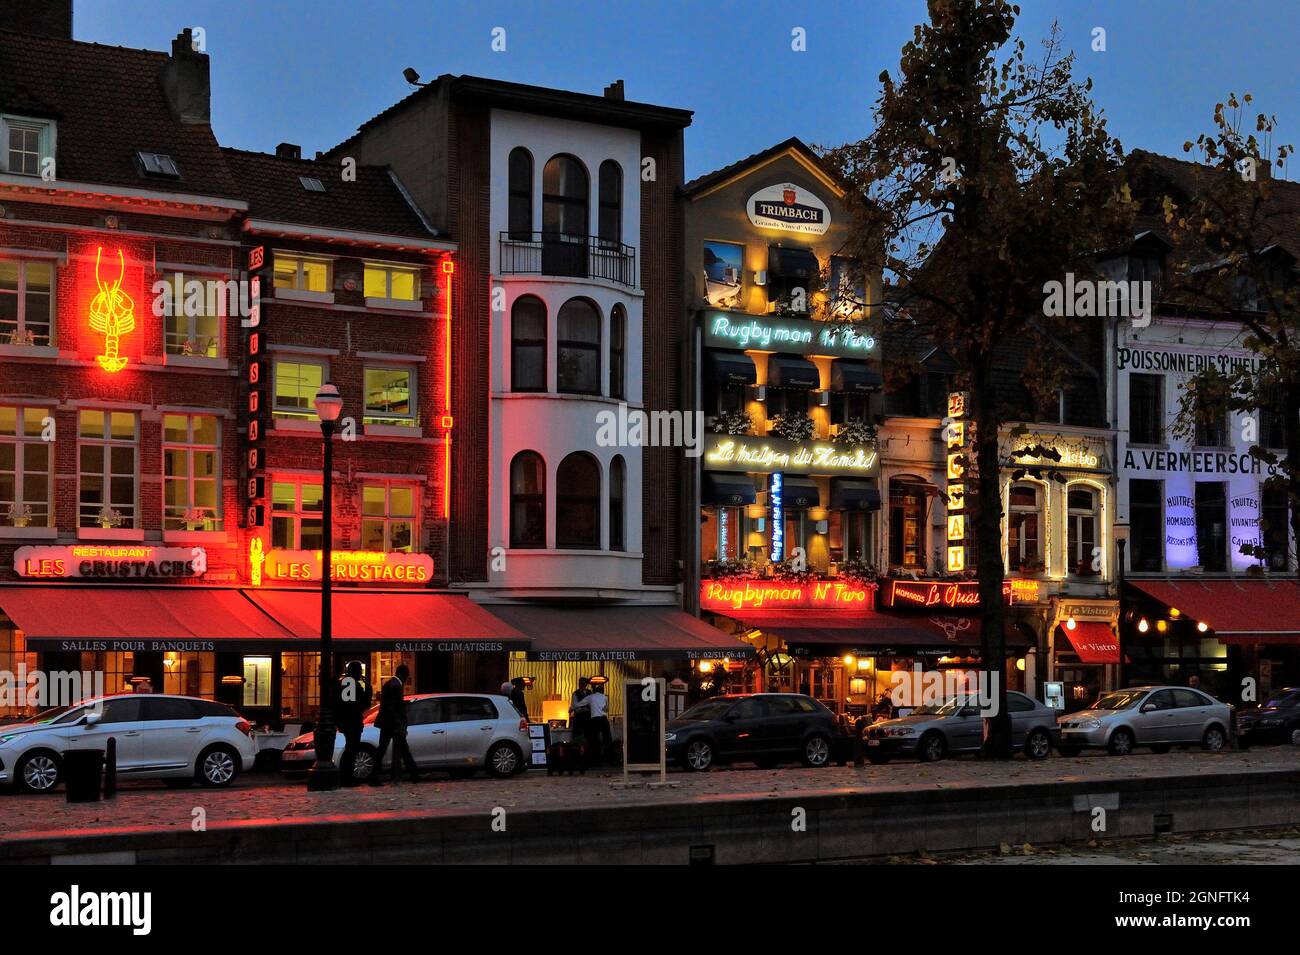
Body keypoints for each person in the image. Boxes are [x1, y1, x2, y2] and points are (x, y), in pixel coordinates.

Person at [370, 664, 418, 785]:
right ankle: (399, 776)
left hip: (386, 723)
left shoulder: (388, 684)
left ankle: (412, 774)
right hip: (393, 724)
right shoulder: (396, 686)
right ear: (404, 675)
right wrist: (400, 724)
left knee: (386, 749)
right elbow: (394, 707)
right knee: (398, 751)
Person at [335, 661, 372, 786]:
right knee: (352, 749)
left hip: (345, 720)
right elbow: (364, 703)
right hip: (353, 720)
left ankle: (345, 776)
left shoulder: (342, 683)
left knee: (349, 748)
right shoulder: (355, 685)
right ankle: (348, 777)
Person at [584, 681, 612, 766]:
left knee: (594, 739)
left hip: (594, 720)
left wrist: (573, 707)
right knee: (607, 739)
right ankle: (609, 758)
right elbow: (606, 709)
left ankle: (596, 759)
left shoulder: (591, 697)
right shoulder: (605, 697)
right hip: (603, 719)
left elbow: (580, 703)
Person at [569, 677, 591, 743]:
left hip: (588, 719)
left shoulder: (590, 693)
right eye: (580, 683)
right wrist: (583, 709)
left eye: (583, 683)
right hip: (579, 718)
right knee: (577, 736)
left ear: (586, 684)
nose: (581, 685)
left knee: (588, 736)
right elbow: (574, 706)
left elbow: (592, 704)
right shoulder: (575, 694)